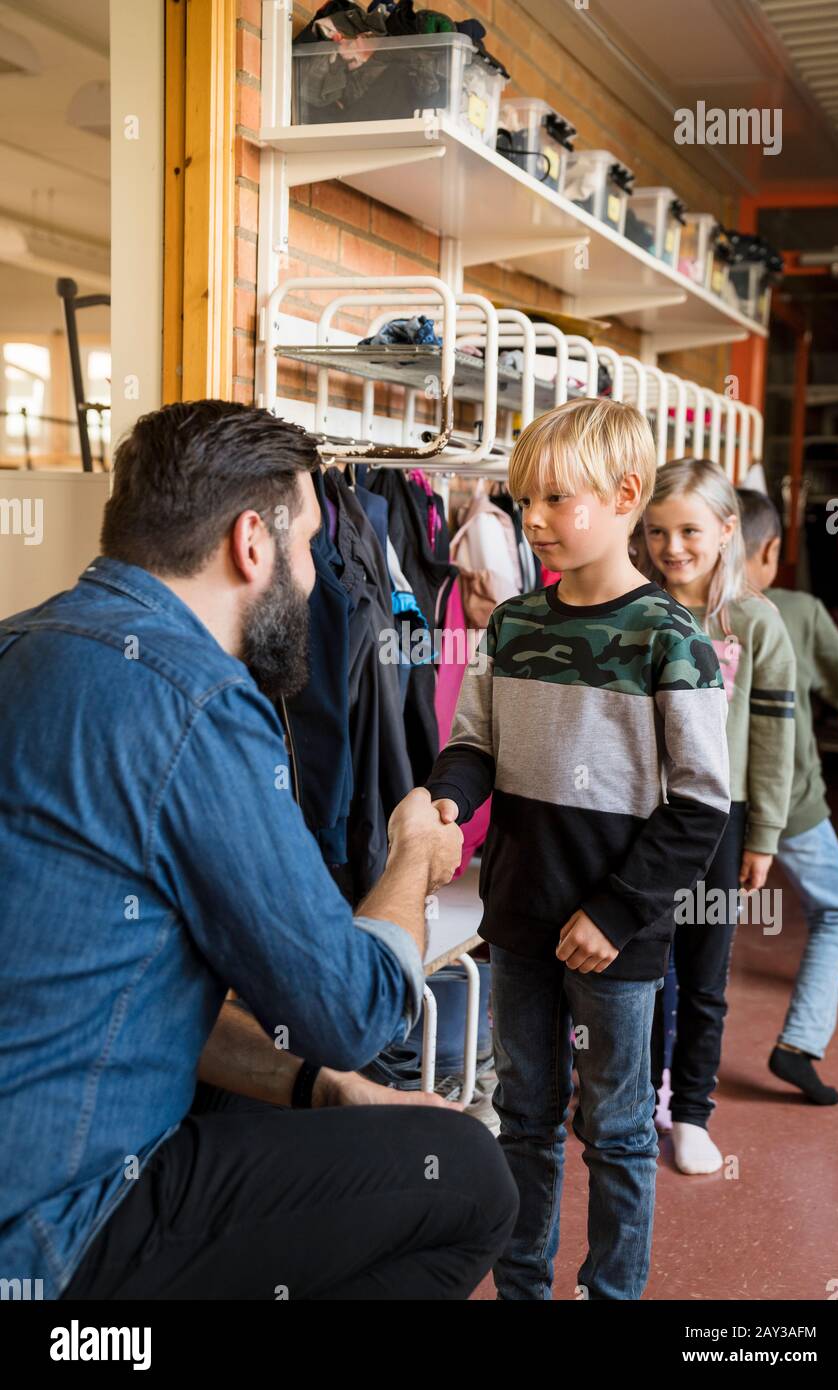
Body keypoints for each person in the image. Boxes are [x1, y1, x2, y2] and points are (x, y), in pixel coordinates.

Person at [0, 400, 518, 1301]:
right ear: (252, 542)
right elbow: (354, 1012)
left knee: (277, 1101)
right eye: (311, 547)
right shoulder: (193, 696)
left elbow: (121, 1001)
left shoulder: (21, 645)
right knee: (467, 1176)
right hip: (52, 1231)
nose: (318, 581)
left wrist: (322, 1088)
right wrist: (409, 862)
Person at [423, 399, 731, 1300]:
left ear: (625, 494)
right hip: (516, 923)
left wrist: (615, 911)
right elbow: (473, 745)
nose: (535, 521)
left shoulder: (670, 641)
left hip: (614, 938)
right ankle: (522, 1289)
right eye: (524, 503)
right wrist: (446, 799)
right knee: (521, 1119)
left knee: (619, 1130)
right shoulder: (514, 624)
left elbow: (700, 807)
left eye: (556, 499)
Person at [640, 459, 796, 1174]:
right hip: (640, 814)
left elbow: (774, 738)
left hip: (716, 819)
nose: (672, 547)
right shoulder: (634, 610)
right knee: (637, 966)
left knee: (702, 976)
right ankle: (636, 1101)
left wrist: (761, 834)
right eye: (657, 532)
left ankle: (692, 1113)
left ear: (725, 531)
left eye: (689, 531)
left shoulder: (756, 623)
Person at [739, 487, 838, 1104]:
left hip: (709, 807)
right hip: (790, 801)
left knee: (691, 931)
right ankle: (798, 1044)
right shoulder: (797, 609)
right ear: (769, 550)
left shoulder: (674, 612)